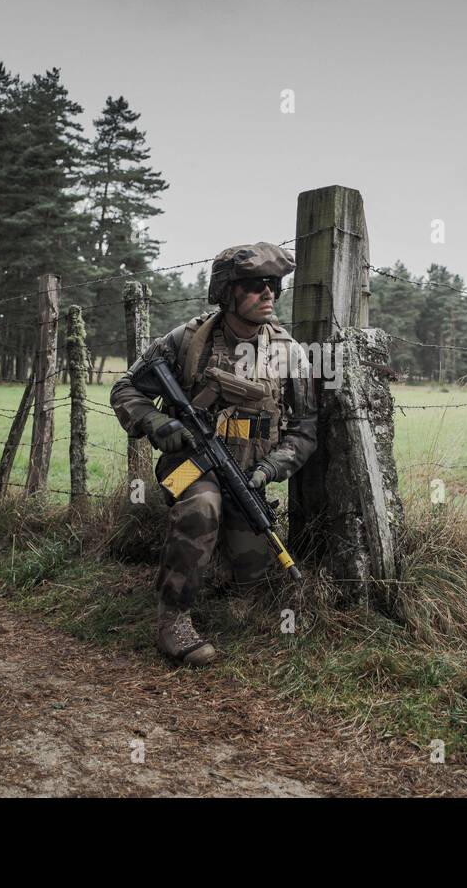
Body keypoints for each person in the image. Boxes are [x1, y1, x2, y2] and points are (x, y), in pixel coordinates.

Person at [108, 243, 318, 665]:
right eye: (255, 285)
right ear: (227, 291)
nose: (268, 293)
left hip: (248, 474)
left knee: (250, 574)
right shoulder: (188, 340)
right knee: (202, 506)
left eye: (274, 285)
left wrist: (269, 468)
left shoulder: (290, 353)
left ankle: (215, 570)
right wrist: (158, 423)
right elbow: (125, 388)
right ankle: (173, 619)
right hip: (191, 462)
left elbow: (305, 428)